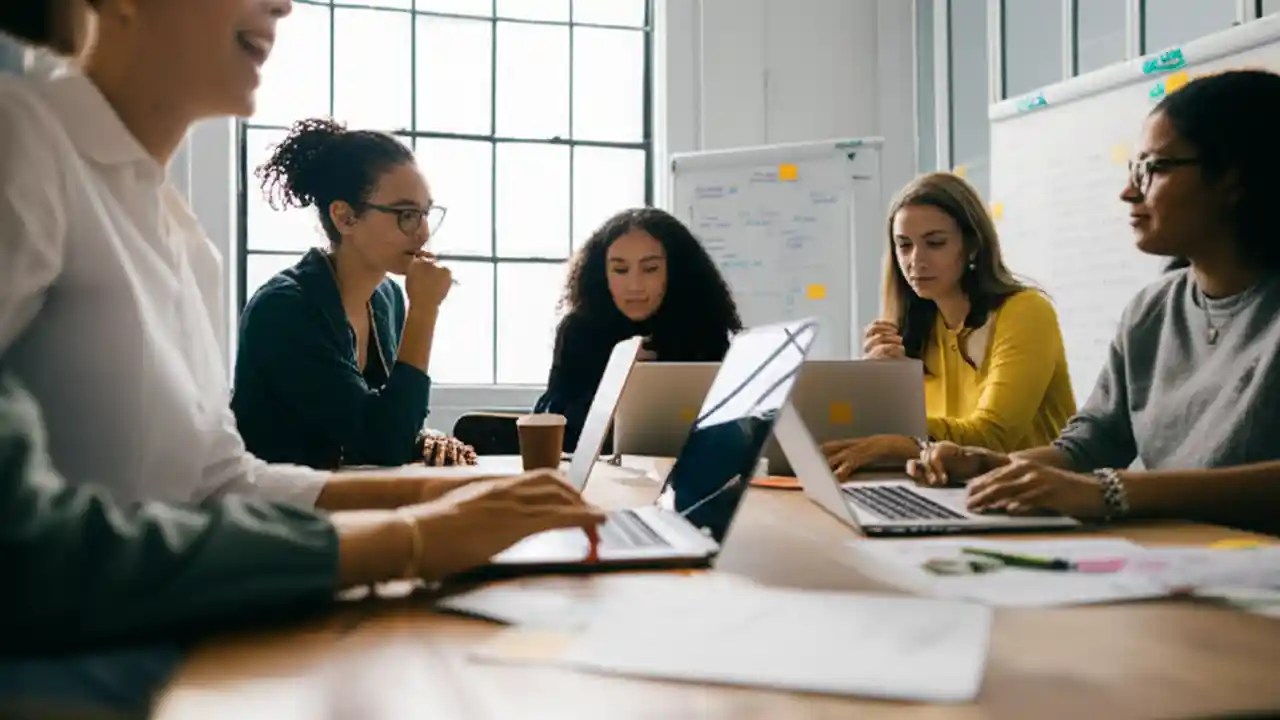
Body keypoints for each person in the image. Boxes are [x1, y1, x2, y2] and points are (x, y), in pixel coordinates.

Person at [0, 0, 486, 511]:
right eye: (405, 213)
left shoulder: (187, 246)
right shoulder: (21, 145)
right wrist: (416, 531)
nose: (282, 5)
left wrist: (443, 504)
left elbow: (221, 481)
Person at [910, 70, 1280, 534]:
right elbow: (1091, 446)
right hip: (1171, 560)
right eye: (1133, 169)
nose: (1129, 191)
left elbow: (1101, 477)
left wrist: (1111, 491)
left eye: (1156, 168)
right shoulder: (1153, 309)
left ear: (1236, 178)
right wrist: (989, 466)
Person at [232, 117, 474, 470]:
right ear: (345, 217)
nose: (422, 233)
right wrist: (424, 310)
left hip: (347, 501)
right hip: (279, 513)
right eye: (405, 214)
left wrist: (423, 438)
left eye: (424, 214)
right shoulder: (284, 309)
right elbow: (383, 442)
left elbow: (377, 421)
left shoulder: (386, 298)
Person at [822, 172, 1076, 479]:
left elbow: (992, 438)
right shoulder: (919, 328)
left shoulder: (1026, 312)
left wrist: (898, 438)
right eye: (904, 246)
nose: (916, 260)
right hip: (954, 495)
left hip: (1036, 500)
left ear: (972, 246)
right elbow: (929, 441)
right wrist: (889, 388)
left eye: (935, 243)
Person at [534, 207, 743, 451]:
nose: (634, 285)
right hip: (599, 476)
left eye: (650, 269)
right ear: (602, 274)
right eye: (620, 270)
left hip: (681, 473)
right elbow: (550, 423)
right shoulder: (579, 329)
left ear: (674, 271)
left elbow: (727, 427)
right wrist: (617, 385)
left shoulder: (703, 325)